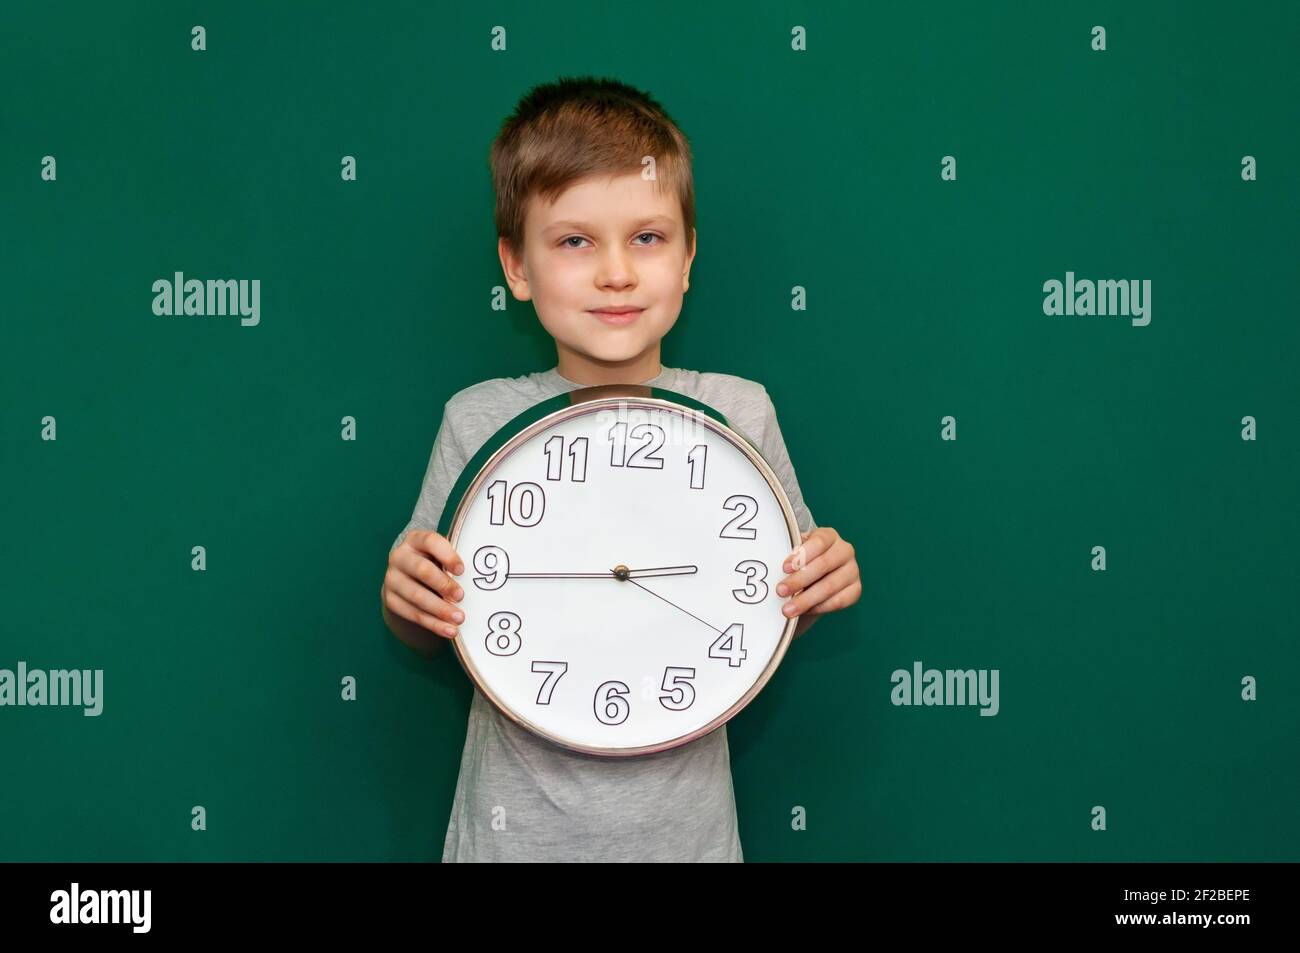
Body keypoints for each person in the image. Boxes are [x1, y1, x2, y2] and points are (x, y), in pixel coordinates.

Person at [381, 76, 861, 862]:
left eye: (647, 237)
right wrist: (406, 592)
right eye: (575, 240)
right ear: (517, 265)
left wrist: (822, 580)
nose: (616, 272)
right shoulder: (478, 419)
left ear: (688, 256)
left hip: (689, 843)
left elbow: (769, 607)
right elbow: (430, 625)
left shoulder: (739, 412)